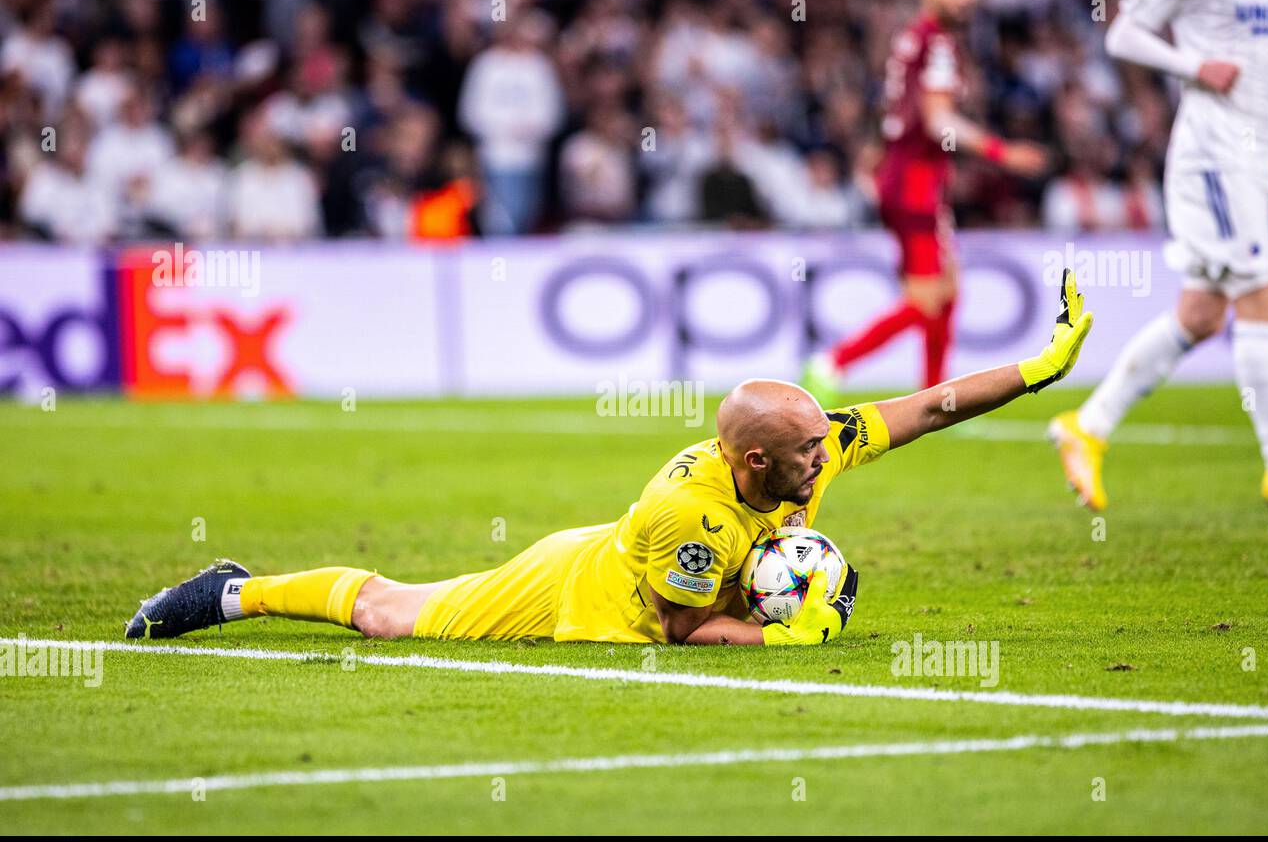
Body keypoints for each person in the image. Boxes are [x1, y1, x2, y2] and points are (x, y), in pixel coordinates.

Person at [126, 273, 1093, 646]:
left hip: (621, 560)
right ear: (752, 461)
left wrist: (1042, 368)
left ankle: (239, 588)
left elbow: (925, 407)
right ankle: (236, 592)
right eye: (806, 453)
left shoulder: (801, 448)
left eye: (822, 446)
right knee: (389, 616)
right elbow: (681, 630)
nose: (825, 458)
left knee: (397, 612)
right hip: (580, 589)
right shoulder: (695, 514)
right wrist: (791, 626)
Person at [1050, 0, 1268, 509]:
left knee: (1203, 313)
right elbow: (1123, 33)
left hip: (1258, 155)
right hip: (1214, 156)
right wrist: (1193, 66)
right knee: (1262, 297)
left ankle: (1087, 426)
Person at [801, 0, 1046, 401]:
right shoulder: (936, 41)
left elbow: (897, 107)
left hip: (909, 175)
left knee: (947, 288)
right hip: (915, 182)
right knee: (927, 299)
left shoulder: (913, 36)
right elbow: (937, 120)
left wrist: (879, 154)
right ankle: (833, 363)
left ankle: (935, 394)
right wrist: (1000, 151)